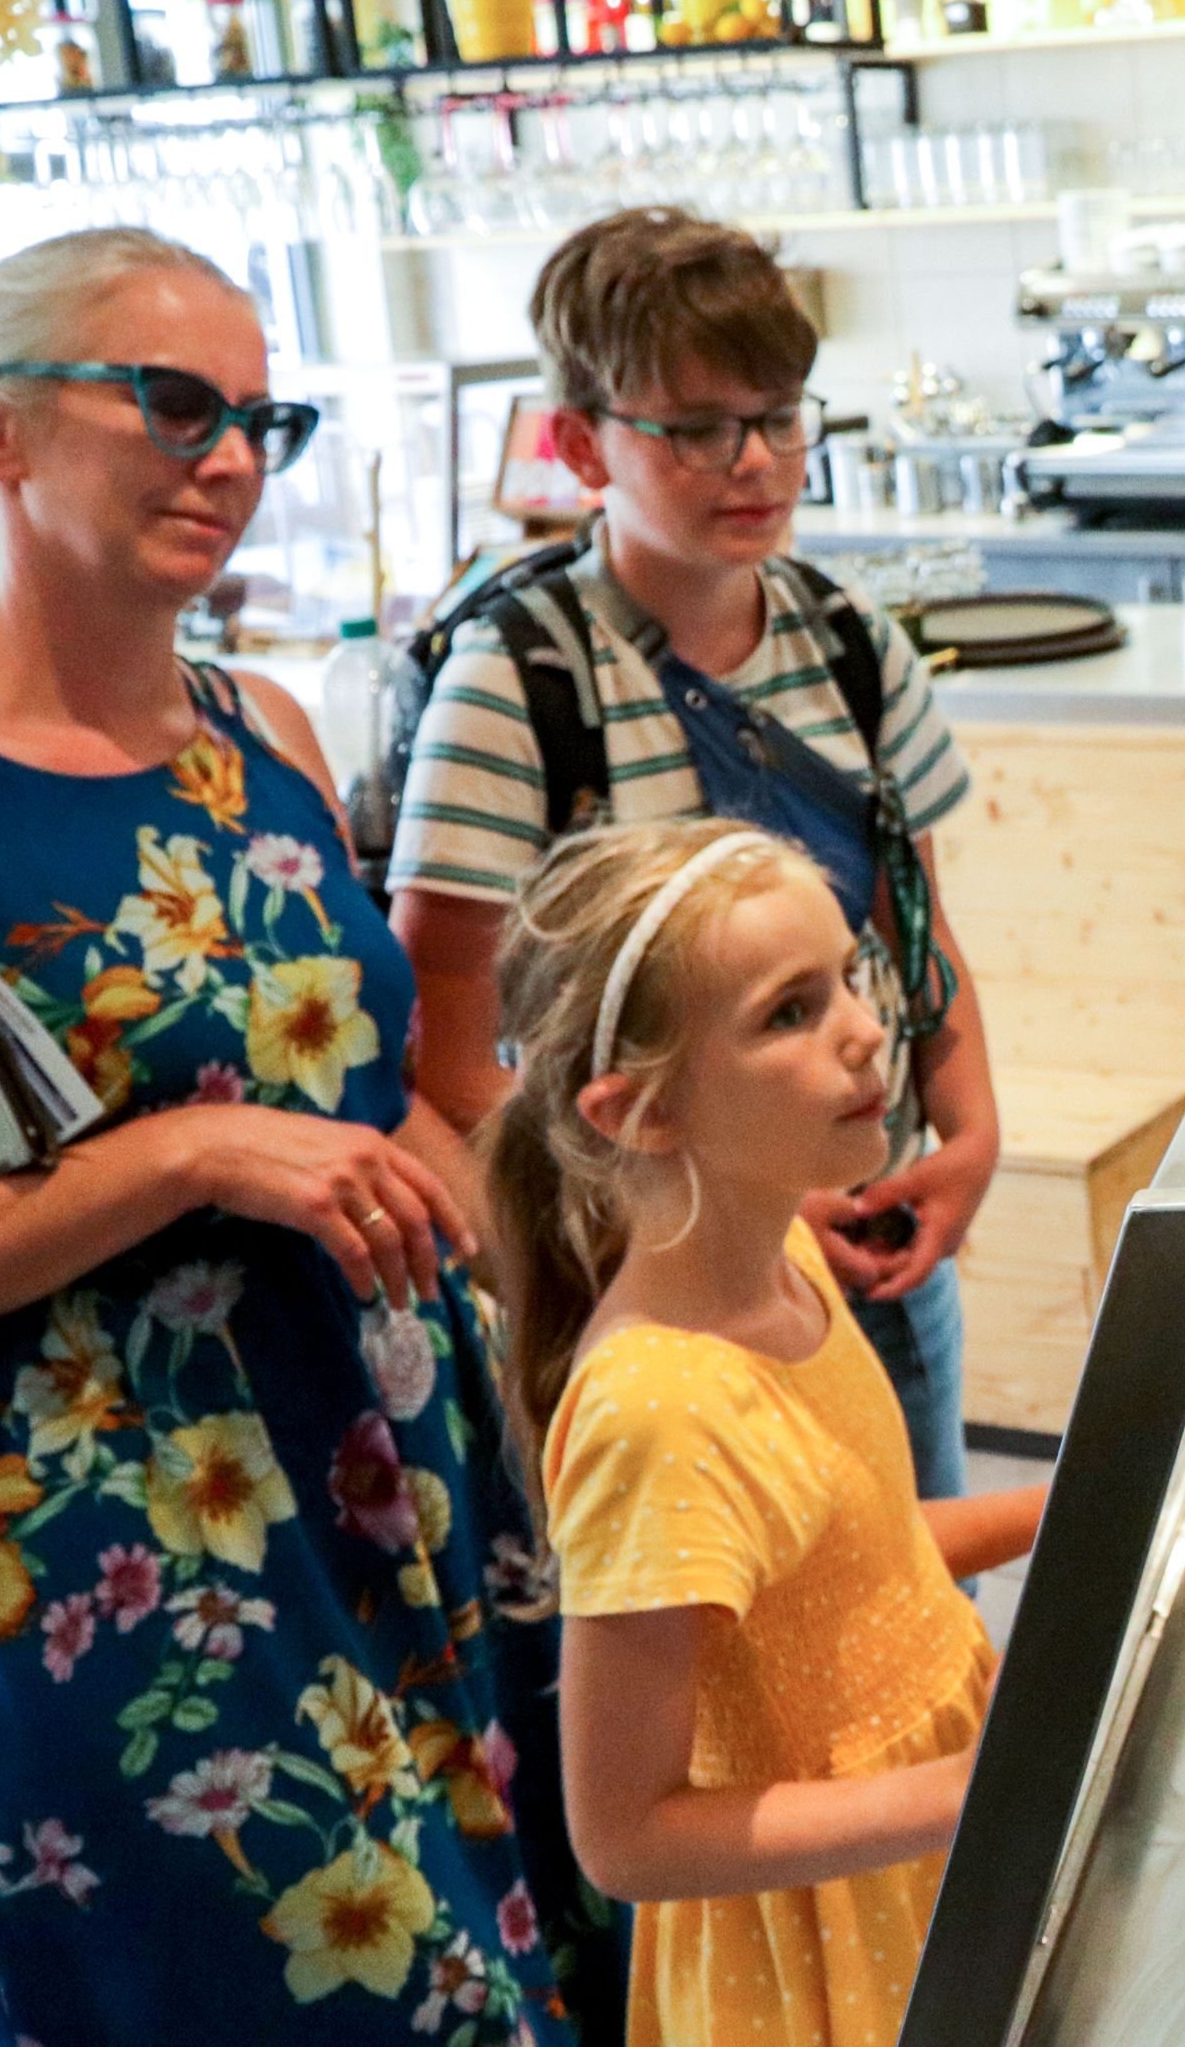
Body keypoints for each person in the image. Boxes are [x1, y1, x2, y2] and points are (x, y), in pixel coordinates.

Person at [0, 226, 612, 2042]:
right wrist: (181, 1158)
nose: (235, 459)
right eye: (176, 404)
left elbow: (376, 1106)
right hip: (104, 1555)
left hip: (395, 1466)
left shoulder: (255, 730)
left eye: (266, 415)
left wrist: (600, 1286)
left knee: (518, 1970)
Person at [390, 206, 1002, 1503]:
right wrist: (704, 1216)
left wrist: (971, 1129)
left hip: (873, 1243)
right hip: (657, 1293)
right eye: (699, 428)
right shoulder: (521, 681)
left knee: (905, 1621)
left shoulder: (851, 642)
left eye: (783, 416)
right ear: (581, 444)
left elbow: (916, 940)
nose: (758, 461)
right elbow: (447, 1057)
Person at [489, 820, 1040, 2047]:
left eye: (847, 978)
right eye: (789, 1012)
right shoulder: (657, 1416)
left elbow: (859, 1568)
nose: (862, 1028)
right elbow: (625, 1835)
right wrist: (956, 1793)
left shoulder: (790, 1255)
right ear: (639, 1112)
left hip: (923, 1854)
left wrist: (1065, 1506)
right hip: (821, 1950)